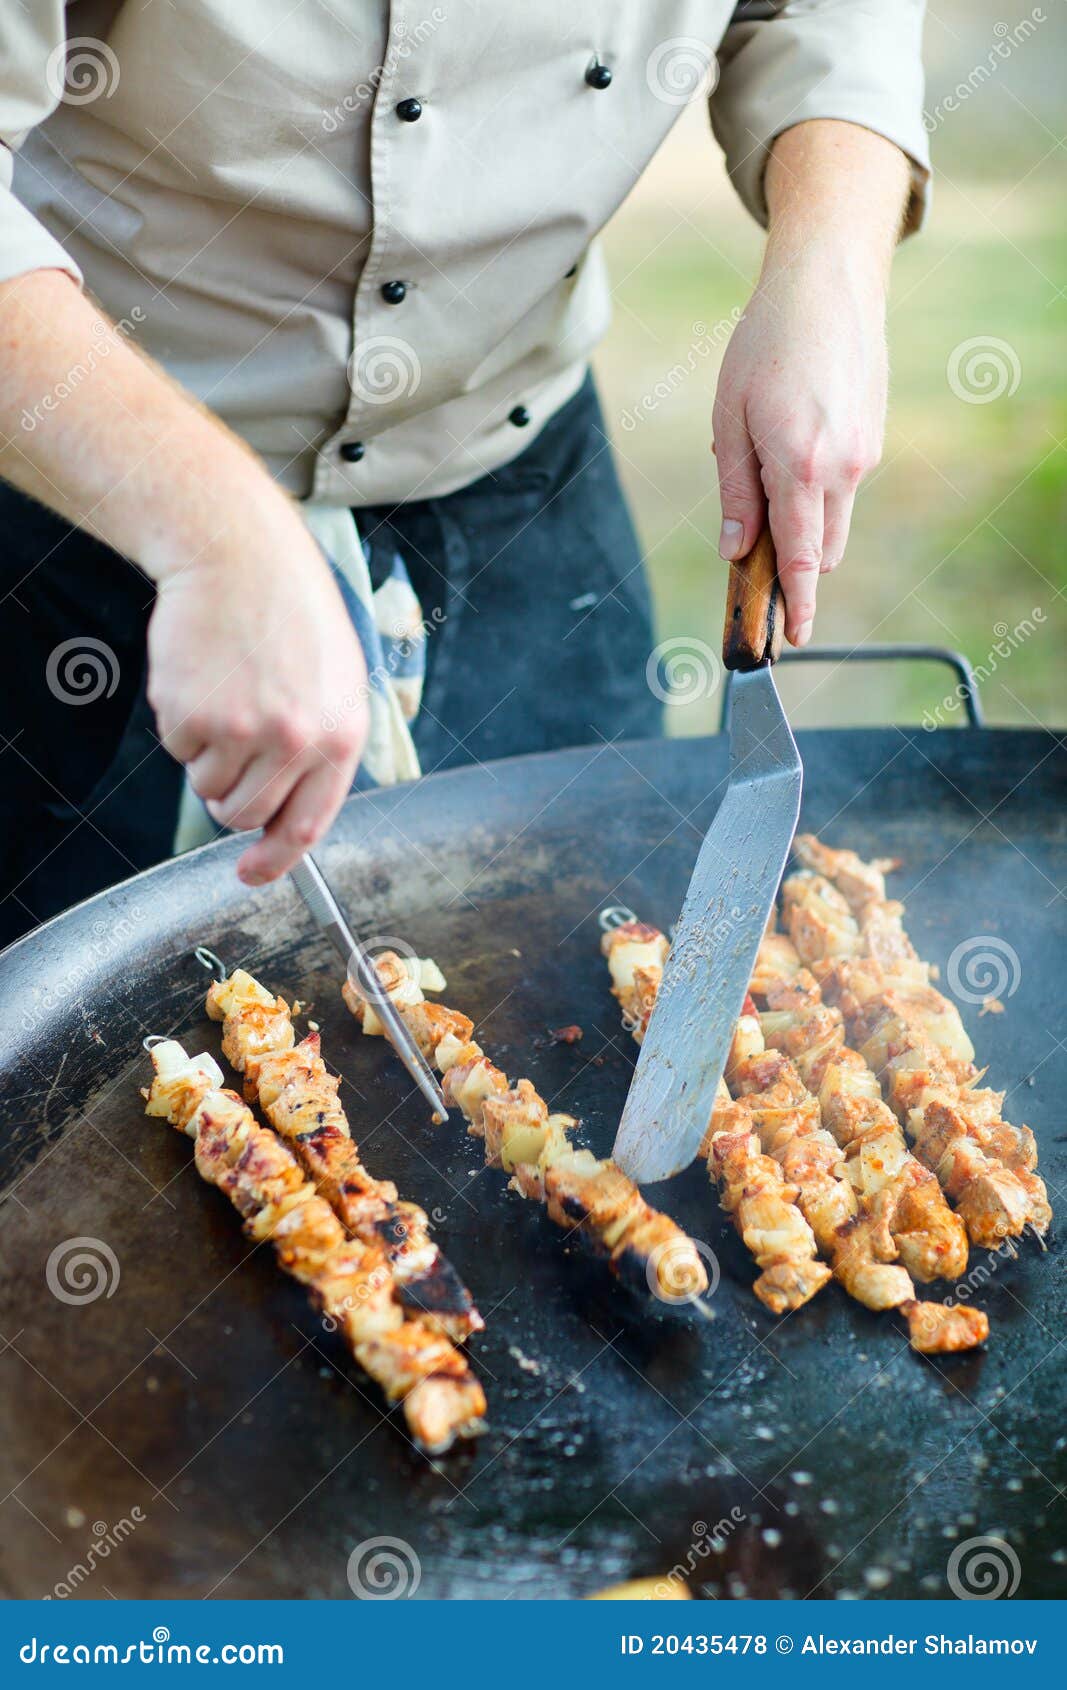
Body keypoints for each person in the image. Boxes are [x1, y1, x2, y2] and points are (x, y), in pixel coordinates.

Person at [0, 3, 929, 947]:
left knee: (576, 972)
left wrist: (828, 277)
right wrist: (214, 534)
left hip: (517, 475)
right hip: (83, 479)